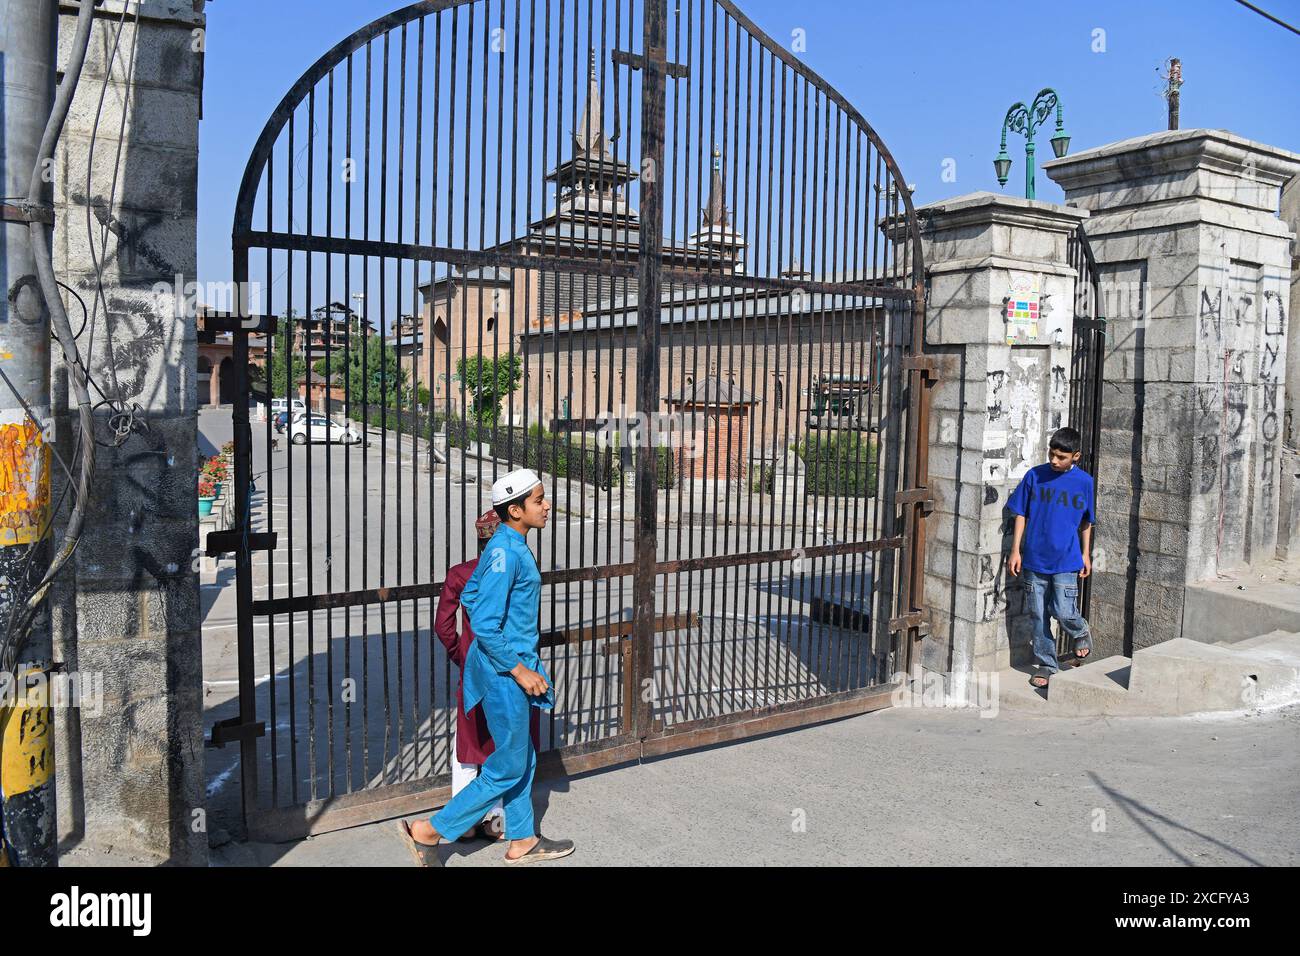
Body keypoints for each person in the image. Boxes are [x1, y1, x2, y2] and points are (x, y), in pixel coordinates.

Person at [398, 468, 574, 865]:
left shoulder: (509, 545)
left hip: (504, 668)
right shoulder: (504, 553)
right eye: (538, 500)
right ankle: (430, 831)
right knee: (506, 766)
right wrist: (518, 669)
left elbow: (474, 597)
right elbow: (486, 624)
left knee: (522, 758)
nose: (547, 506)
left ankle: (523, 840)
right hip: (503, 675)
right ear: (515, 509)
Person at [432, 508, 541, 843]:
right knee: (507, 748)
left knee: (469, 744)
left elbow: (444, 626)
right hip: (508, 668)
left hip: (475, 667)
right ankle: (493, 819)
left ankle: (465, 825)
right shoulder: (515, 563)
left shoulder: (463, 573)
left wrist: (459, 654)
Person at [1006, 426, 1095, 688]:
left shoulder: (1084, 482)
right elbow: (1020, 513)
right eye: (1051, 454)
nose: (1054, 461)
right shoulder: (1035, 476)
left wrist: (1086, 555)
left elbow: (1087, 521)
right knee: (1038, 615)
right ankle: (1046, 664)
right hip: (1034, 559)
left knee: (1063, 610)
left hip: (1067, 560)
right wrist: (1015, 550)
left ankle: (1080, 631)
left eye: (1061, 457)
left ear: (1075, 456)